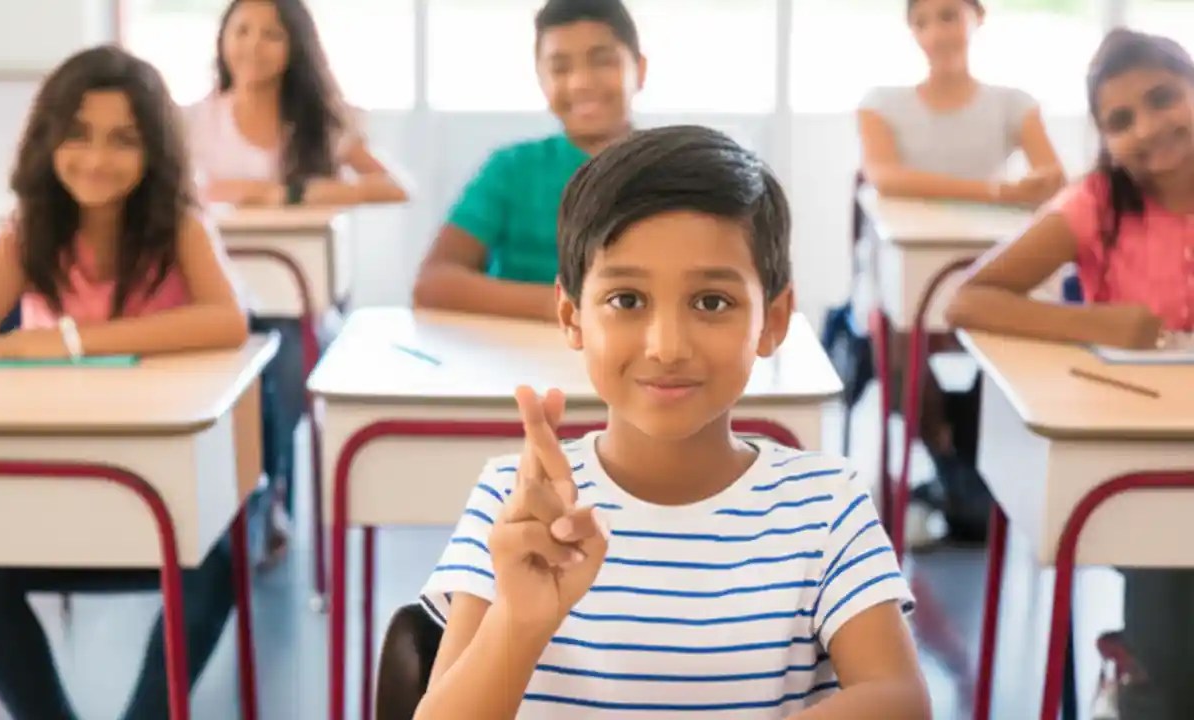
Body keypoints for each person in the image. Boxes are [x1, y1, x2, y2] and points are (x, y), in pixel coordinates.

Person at [415, 126, 930, 719]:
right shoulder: (518, 503)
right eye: (627, 300)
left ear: (774, 319)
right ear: (571, 314)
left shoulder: (826, 505)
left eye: (711, 302)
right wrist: (519, 621)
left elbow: (900, 702)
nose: (666, 346)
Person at [0, 45, 247, 720]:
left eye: (123, 139)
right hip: (53, 498)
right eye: (78, 134)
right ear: (48, 140)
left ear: (153, 151)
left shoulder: (180, 228)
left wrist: (69, 339)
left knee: (218, 566)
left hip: (158, 505)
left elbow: (226, 322)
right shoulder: (28, 235)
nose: (97, 158)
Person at [947, 28, 1194, 720]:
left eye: (1163, 99)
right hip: (1146, 456)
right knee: (1177, 598)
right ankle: (1146, 686)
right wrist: (1102, 323)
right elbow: (968, 299)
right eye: (1121, 121)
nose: (1148, 128)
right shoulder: (1097, 204)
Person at [185, 0, 409, 563]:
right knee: (230, 363)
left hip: (297, 310)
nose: (253, 46)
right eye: (242, 31)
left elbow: (392, 187)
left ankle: (268, 497)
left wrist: (284, 193)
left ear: (295, 49)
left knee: (283, 363)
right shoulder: (193, 120)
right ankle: (233, 499)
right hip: (208, 299)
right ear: (222, 39)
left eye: (271, 34)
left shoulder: (316, 122)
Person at [852, 0, 1066, 545]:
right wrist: (997, 193)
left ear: (977, 18)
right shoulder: (881, 103)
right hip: (907, 271)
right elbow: (885, 178)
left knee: (1014, 337)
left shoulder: (1013, 103)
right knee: (904, 337)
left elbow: (1052, 177)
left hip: (987, 264)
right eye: (922, 21)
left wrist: (1014, 196)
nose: (936, 31)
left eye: (948, 14)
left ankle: (976, 463)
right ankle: (948, 460)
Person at [412, 0, 645, 322]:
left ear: (640, 69)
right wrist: (571, 308)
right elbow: (433, 284)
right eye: (560, 68)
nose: (580, 82)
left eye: (602, 61)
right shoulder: (510, 169)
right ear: (541, 80)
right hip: (520, 356)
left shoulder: (676, 172)